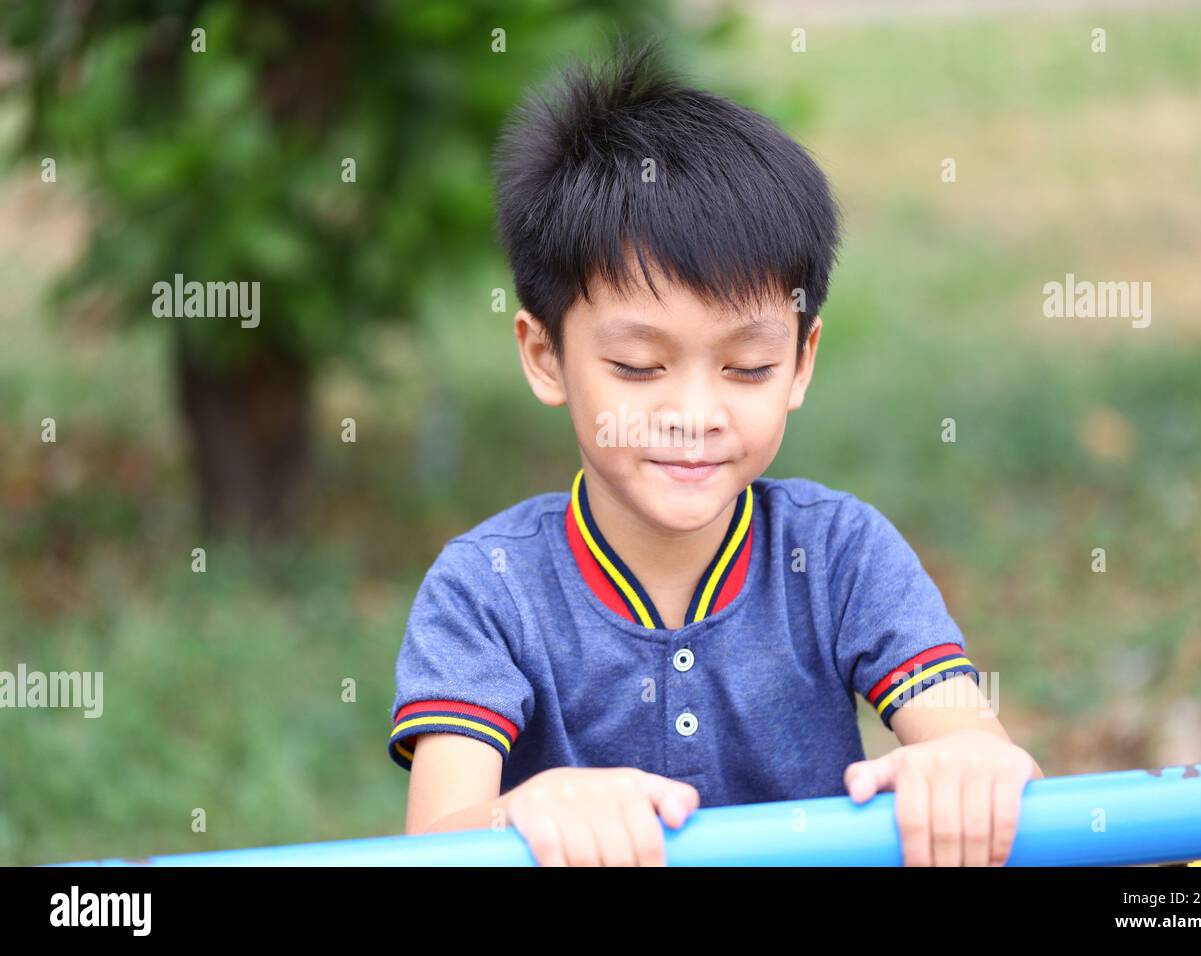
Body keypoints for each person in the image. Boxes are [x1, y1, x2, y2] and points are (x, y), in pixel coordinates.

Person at [389, 38, 1043, 867]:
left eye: (748, 368)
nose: (693, 415)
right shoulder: (485, 591)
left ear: (802, 363)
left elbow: (972, 745)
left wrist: (968, 769)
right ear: (544, 355)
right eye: (637, 367)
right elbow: (431, 846)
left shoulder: (840, 553)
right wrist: (523, 810)